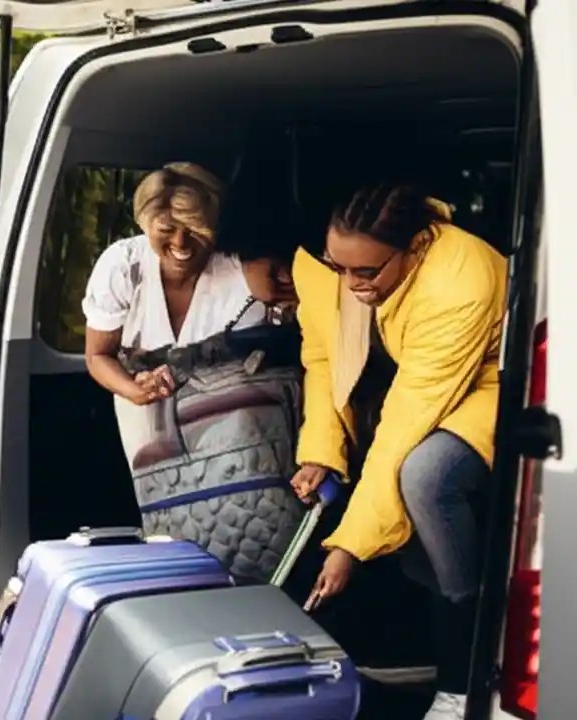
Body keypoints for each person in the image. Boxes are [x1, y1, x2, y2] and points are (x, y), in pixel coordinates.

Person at [290, 184, 506, 720]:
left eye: (366, 273)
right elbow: (323, 358)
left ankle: (465, 673)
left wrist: (350, 549)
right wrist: (321, 450)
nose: (351, 285)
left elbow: (408, 421)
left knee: (426, 476)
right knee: (397, 490)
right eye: (338, 268)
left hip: (495, 381)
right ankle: (426, 644)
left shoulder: (461, 282)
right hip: (425, 386)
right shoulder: (334, 265)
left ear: (418, 245)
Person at [82, 161, 265, 407]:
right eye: (166, 229)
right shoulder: (123, 266)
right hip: (146, 424)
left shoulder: (243, 270)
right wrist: (132, 388)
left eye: (194, 229)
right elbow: (97, 355)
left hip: (233, 420)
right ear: (146, 224)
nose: (180, 243)